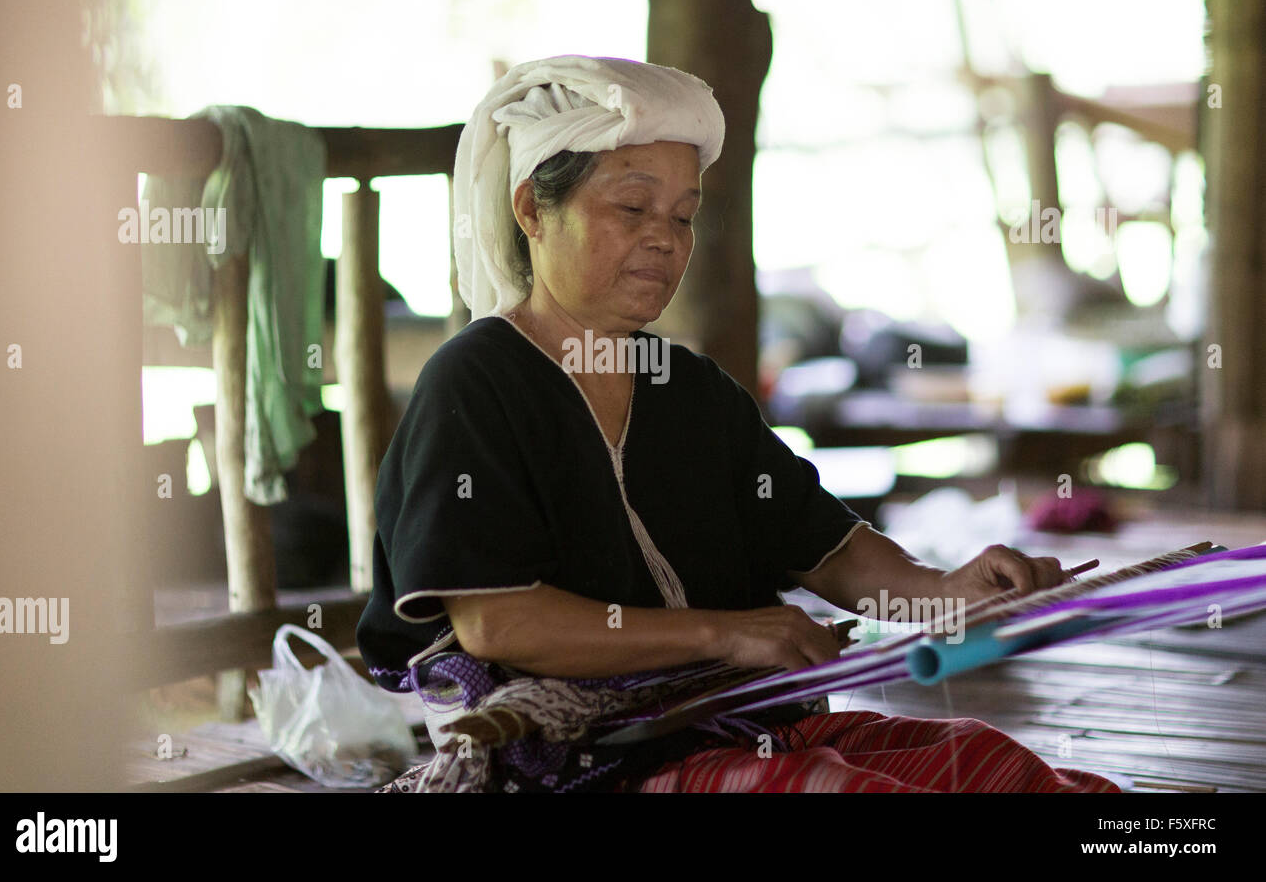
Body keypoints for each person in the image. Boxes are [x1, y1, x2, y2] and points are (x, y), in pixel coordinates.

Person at [356, 55, 1119, 793]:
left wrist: (946, 593)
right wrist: (725, 633)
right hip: (579, 769)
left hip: (735, 732)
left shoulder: (688, 389)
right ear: (531, 209)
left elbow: (832, 552)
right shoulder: (476, 380)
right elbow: (499, 623)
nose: (666, 238)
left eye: (683, 215)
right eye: (632, 208)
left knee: (997, 766)